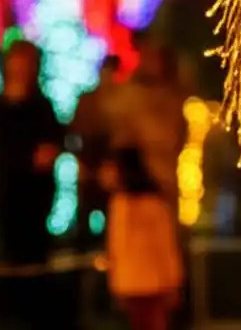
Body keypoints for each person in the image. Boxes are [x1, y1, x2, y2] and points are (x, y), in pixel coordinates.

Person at [100, 40, 187, 330]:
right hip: (138, 202)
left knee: (155, 304)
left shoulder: (169, 104)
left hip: (157, 196)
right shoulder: (128, 101)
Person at [0, 40, 64, 328]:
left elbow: (55, 138)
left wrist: (49, 152)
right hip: (11, 193)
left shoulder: (42, 105)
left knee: (37, 255)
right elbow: (2, 149)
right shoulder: (0, 107)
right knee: (14, 253)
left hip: (38, 195)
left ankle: (38, 313)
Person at [70, 54, 121, 250]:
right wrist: (81, 163)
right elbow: (73, 135)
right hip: (88, 165)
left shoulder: (121, 102)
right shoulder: (87, 101)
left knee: (112, 224)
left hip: (111, 170)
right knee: (84, 222)